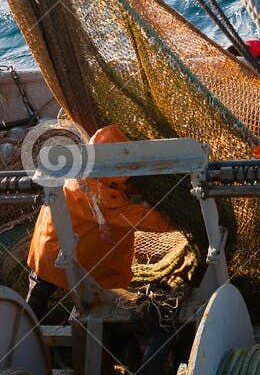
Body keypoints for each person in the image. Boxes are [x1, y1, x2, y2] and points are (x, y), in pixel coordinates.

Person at [25, 124, 174, 318]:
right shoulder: (101, 197)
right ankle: (43, 335)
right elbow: (146, 219)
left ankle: (26, 330)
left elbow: (121, 185)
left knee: (37, 299)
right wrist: (180, 220)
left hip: (44, 251)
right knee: (84, 306)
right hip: (63, 256)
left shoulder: (81, 170)